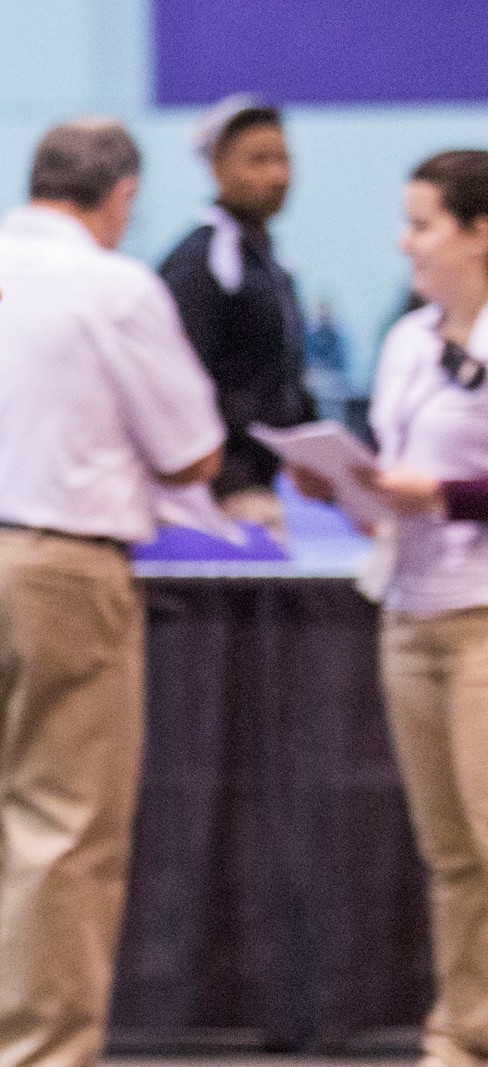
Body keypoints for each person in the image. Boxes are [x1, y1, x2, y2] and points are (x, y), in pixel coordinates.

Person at [0, 119, 224, 1067]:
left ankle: (3, 1040)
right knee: (65, 830)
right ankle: (41, 1054)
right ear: (121, 197)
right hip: (60, 569)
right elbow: (193, 451)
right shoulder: (115, 286)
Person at [292, 149, 488, 1067]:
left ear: (480, 233)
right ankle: (461, 1031)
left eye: (422, 224)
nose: (405, 243)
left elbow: (439, 485)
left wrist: (443, 495)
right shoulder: (409, 338)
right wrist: (342, 483)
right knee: (449, 852)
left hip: (481, 615)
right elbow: (392, 481)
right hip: (409, 607)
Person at [160, 94, 314, 540]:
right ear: (217, 168)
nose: (277, 175)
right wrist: (225, 479)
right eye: (258, 160)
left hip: (260, 484)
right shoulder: (201, 261)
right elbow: (181, 380)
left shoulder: (266, 258)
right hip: (220, 496)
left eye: (283, 159)